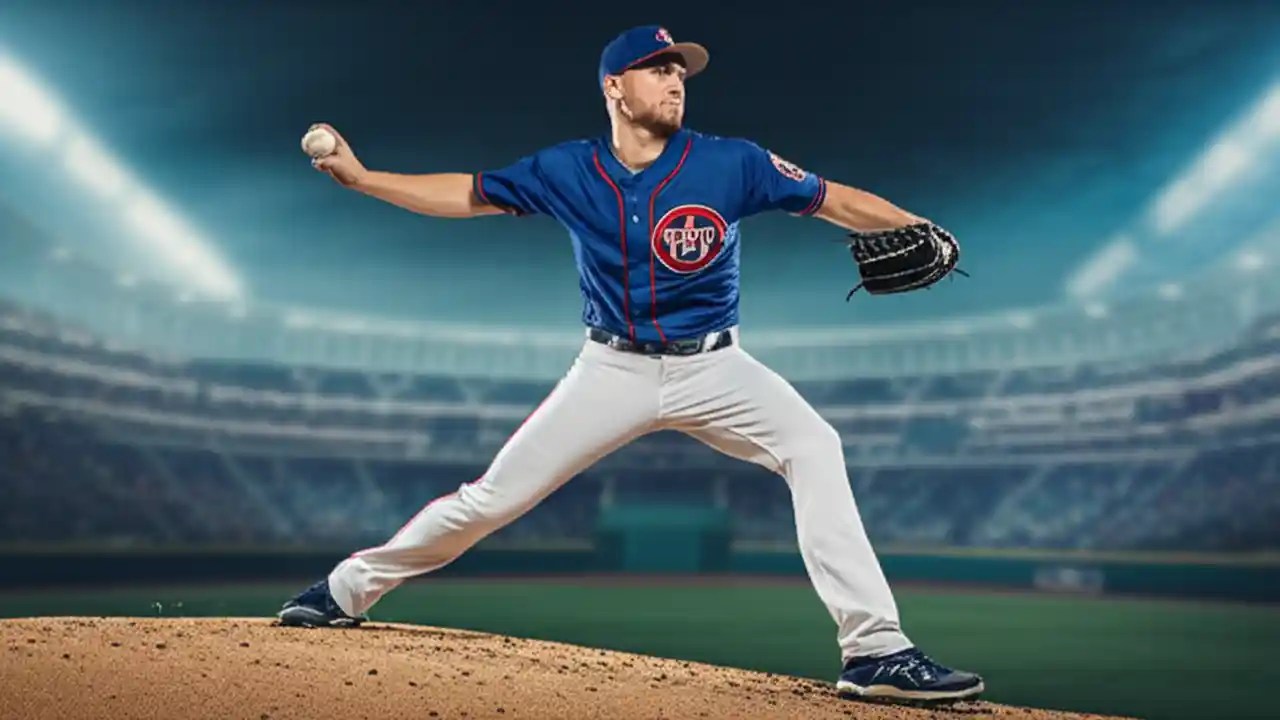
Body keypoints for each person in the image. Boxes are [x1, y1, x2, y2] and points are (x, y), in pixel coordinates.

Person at [278, 24, 983, 704]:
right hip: (610, 371)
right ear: (616, 86)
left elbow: (833, 199)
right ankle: (346, 590)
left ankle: (875, 650)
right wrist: (366, 179)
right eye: (661, 69)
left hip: (717, 368)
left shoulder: (731, 162)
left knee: (814, 445)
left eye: (681, 71)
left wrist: (912, 225)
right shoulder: (566, 170)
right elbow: (466, 193)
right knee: (492, 499)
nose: (677, 81)